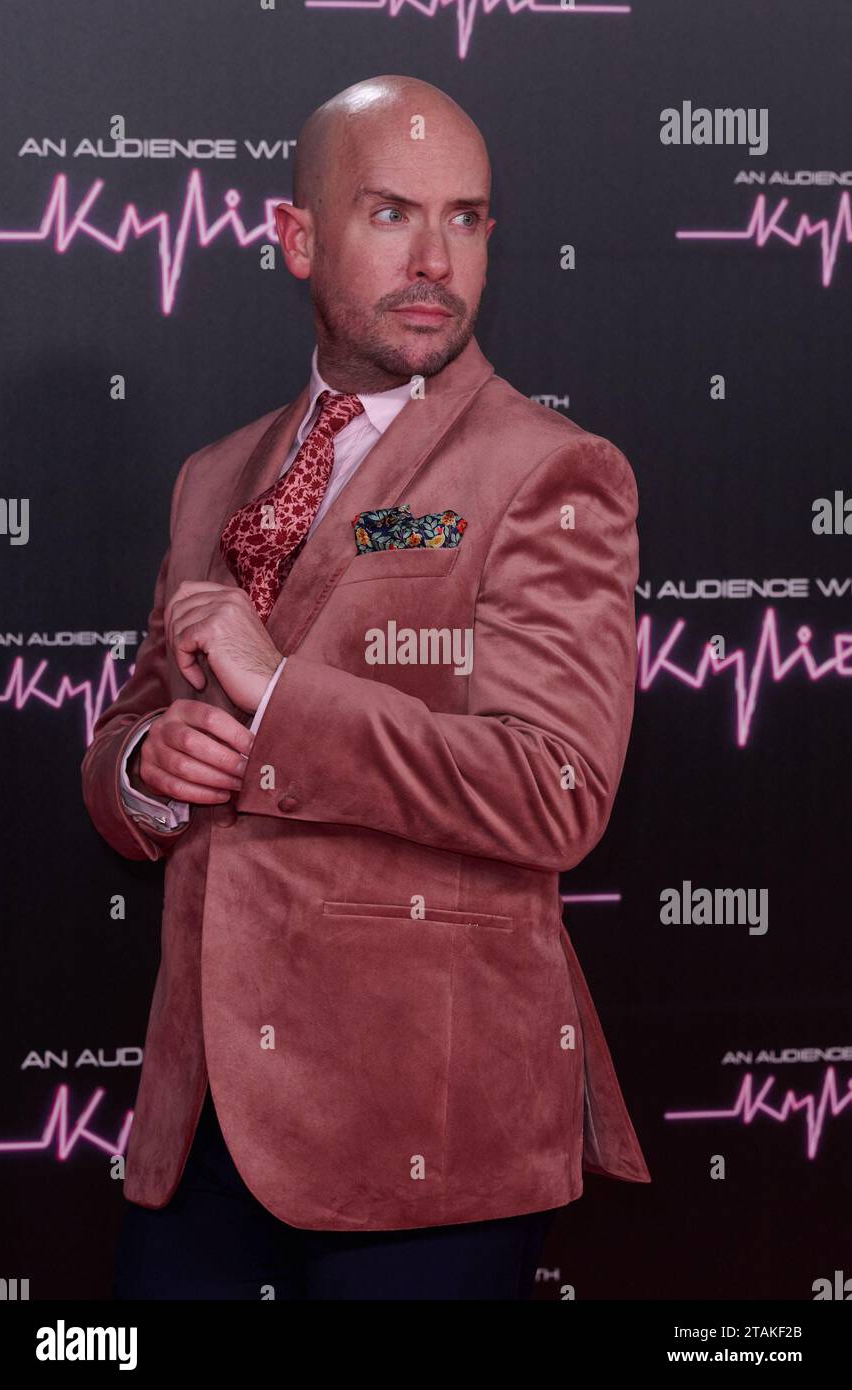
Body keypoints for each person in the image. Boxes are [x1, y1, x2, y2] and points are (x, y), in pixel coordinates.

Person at [82, 73, 650, 1301]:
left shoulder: (548, 470)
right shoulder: (212, 475)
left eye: (465, 218)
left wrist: (280, 695)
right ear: (296, 238)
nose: (435, 259)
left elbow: (555, 786)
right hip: (201, 1131)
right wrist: (143, 768)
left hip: (426, 1136)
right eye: (391, 213)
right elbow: (132, 721)